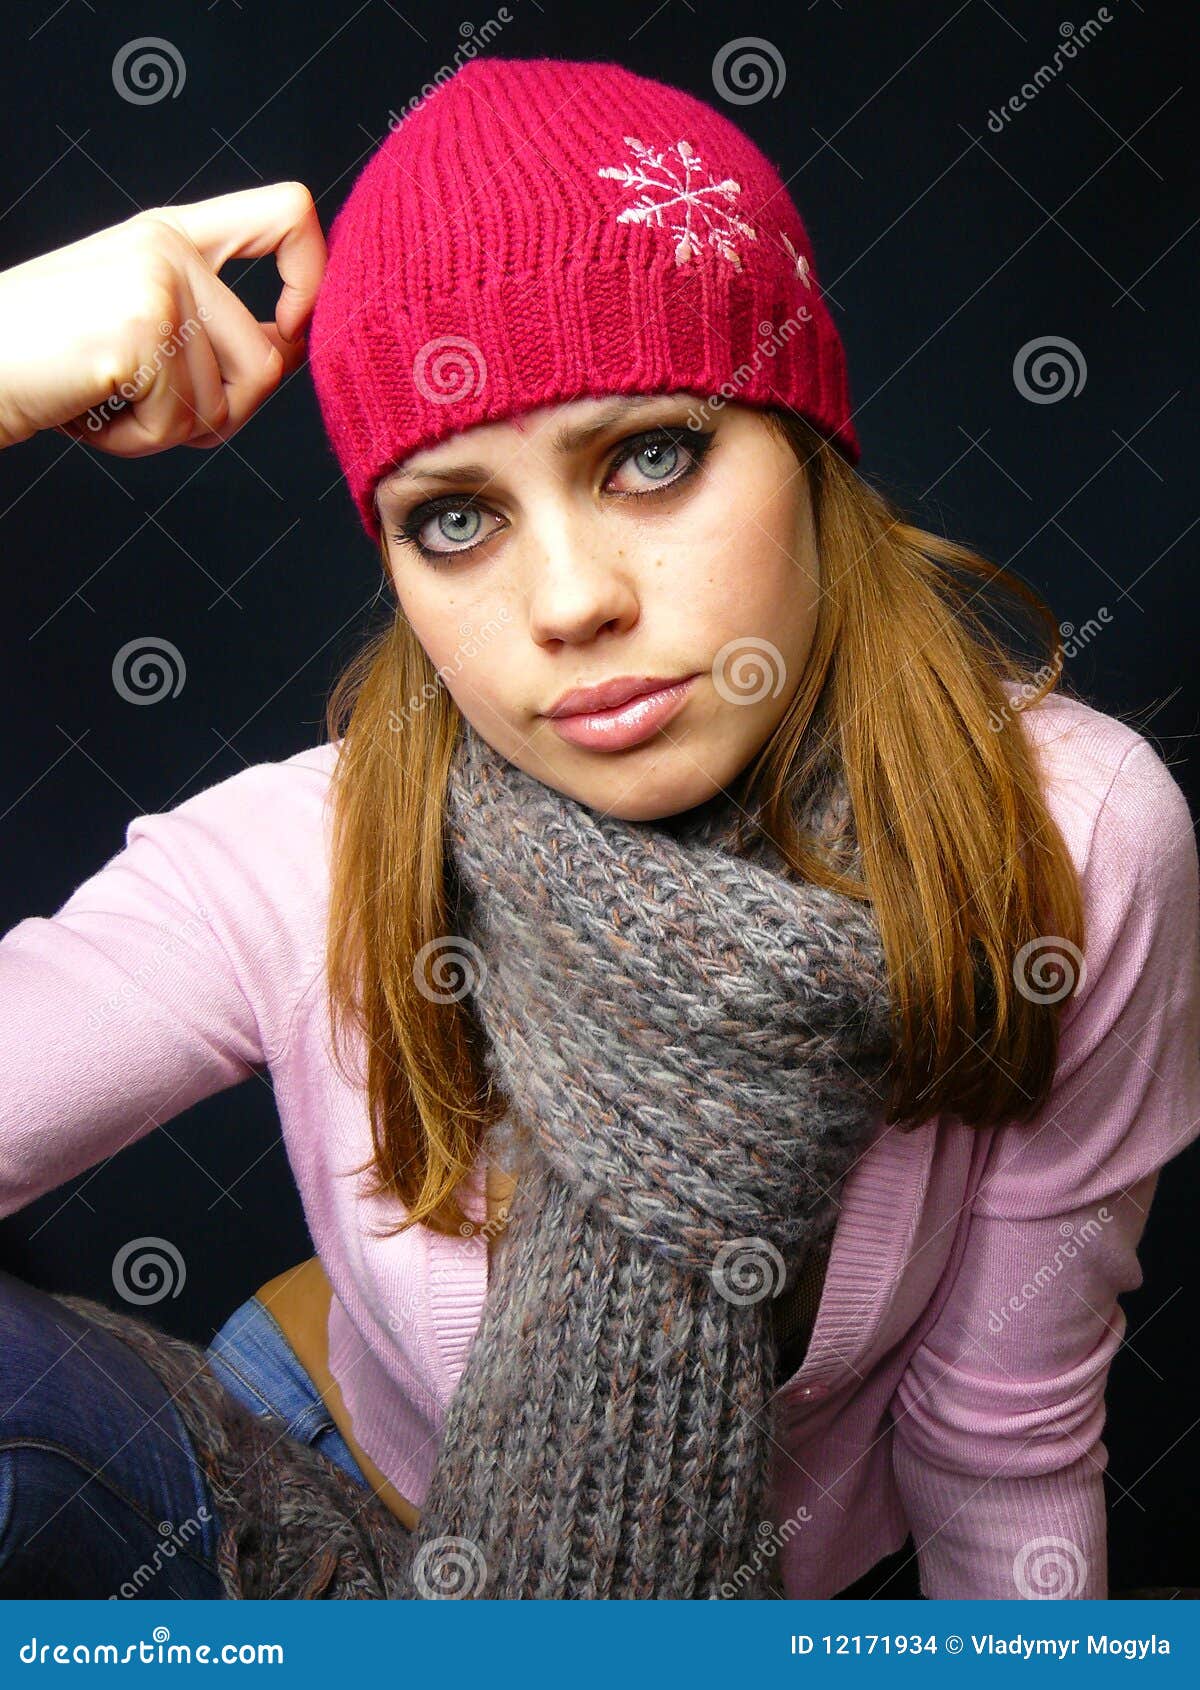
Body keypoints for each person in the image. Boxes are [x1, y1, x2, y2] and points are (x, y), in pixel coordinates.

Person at [0, 55, 1197, 1601]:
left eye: (651, 455)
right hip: (267, 1507)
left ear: (806, 446)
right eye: (456, 515)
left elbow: (1004, 1439)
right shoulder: (302, 856)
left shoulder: (1072, 839)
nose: (571, 602)